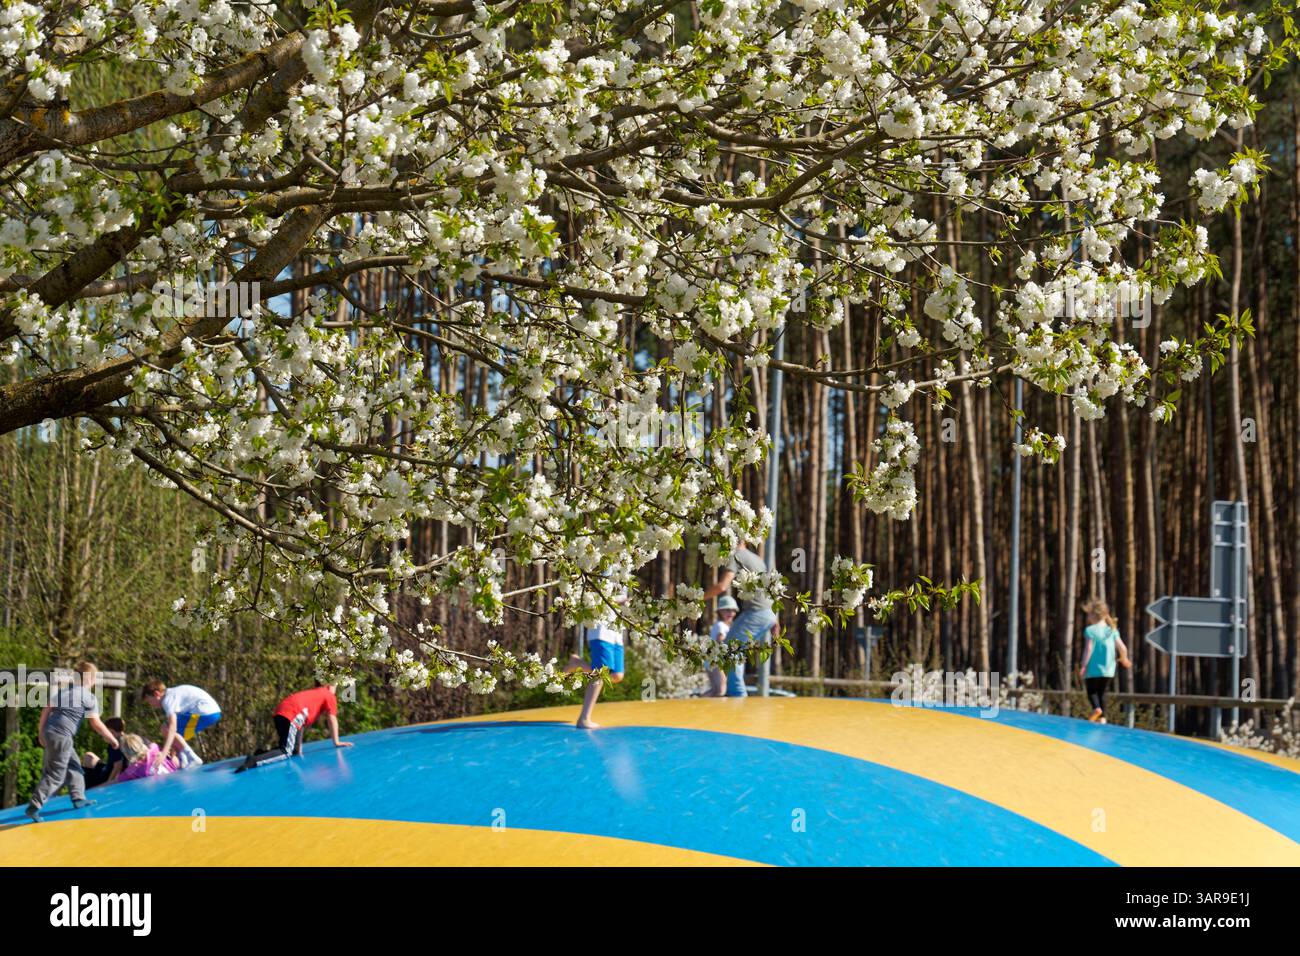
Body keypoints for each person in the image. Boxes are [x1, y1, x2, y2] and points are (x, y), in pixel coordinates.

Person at [26, 662, 120, 823]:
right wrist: (112, 739)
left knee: (74, 766)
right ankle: (34, 805)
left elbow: (46, 710)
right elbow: (95, 723)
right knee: (56, 774)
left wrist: (41, 732)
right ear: (89, 679)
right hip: (62, 737)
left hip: (51, 733)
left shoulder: (63, 692)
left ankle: (78, 798)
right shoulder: (89, 697)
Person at [701, 545, 779, 697]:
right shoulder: (757, 559)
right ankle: (736, 695)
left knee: (730, 650)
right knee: (736, 651)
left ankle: (737, 697)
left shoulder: (735, 555)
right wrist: (775, 619)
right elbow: (770, 590)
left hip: (755, 613)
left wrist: (697, 598)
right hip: (768, 613)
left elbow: (723, 585)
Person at [238, 683, 353, 771]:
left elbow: (300, 723)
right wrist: (336, 742)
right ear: (329, 686)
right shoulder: (329, 695)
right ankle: (254, 761)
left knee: (293, 751)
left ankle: (261, 754)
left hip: (281, 712)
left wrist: (299, 748)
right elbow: (332, 718)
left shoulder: (315, 694)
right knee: (286, 752)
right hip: (291, 715)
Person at [141, 680, 221, 769]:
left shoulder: (168, 700)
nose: (151, 705)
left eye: (150, 701)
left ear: (157, 694)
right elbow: (175, 734)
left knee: (166, 728)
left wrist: (164, 753)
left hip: (205, 711)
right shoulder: (171, 694)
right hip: (212, 712)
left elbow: (172, 728)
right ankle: (184, 759)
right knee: (176, 734)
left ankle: (192, 757)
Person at [1078, 599, 1132, 723]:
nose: (1088, 617)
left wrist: (1083, 665)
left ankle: (1097, 709)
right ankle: (1102, 718)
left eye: (1089, 615)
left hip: (1093, 668)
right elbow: (1122, 647)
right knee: (1102, 693)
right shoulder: (1111, 630)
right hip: (1109, 669)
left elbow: (1089, 649)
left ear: (1094, 615)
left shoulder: (1090, 630)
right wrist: (1124, 658)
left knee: (1092, 692)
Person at [566, 622, 624, 730]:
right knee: (601, 674)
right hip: (602, 631)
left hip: (617, 633)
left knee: (617, 675)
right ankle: (584, 719)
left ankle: (577, 663)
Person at [705, 596, 739, 696]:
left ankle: (699, 703)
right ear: (720, 611)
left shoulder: (727, 626)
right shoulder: (720, 625)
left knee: (716, 690)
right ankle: (698, 705)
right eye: (727, 610)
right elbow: (720, 640)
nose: (731, 613)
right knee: (720, 691)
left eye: (733, 610)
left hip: (713, 661)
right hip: (715, 662)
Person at [116, 733, 180, 782]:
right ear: (142, 744)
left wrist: (105, 785)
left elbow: (117, 781)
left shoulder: (132, 771)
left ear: (126, 755)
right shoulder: (155, 748)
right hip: (175, 779)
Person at [83, 716, 127, 788]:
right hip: (107, 769)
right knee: (89, 756)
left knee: (86, 772)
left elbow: (117, 767)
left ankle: (87, 788)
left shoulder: (115, 745)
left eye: (104, 733)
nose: (102, 735)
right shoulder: (124, 739)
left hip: (107, 776)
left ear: (112, 732)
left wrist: (107, 784)